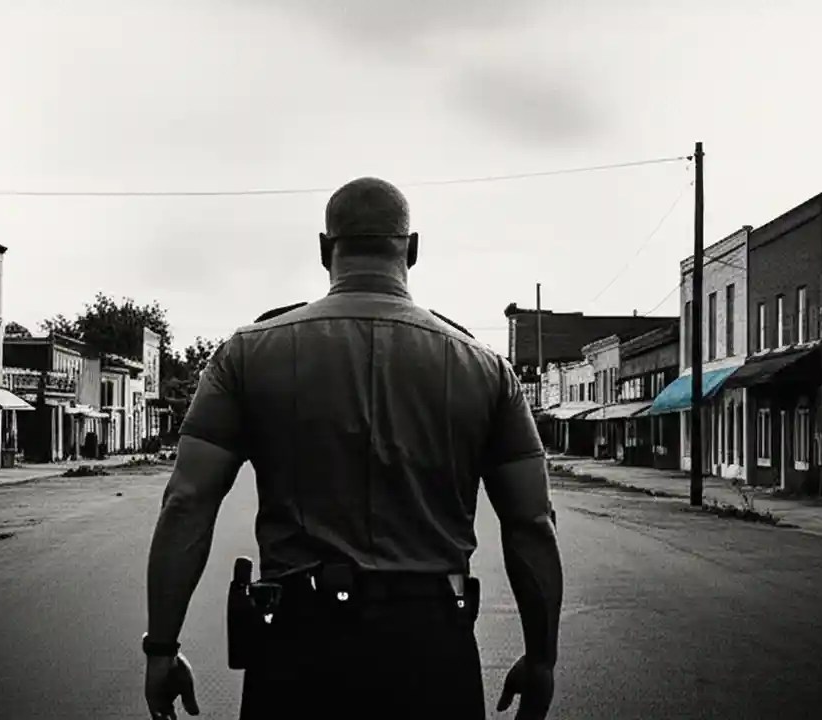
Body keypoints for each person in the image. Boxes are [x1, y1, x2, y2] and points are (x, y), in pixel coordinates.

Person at [142, 177, 563, 720]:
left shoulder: (246, 355)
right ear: (411, 249)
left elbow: (187, 502)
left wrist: (162, 650)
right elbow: (532, 523)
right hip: (433, 652)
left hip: (296, 651)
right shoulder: (485, 370)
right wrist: (542, 658)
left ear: (324, 250)